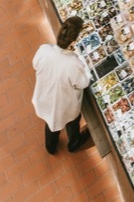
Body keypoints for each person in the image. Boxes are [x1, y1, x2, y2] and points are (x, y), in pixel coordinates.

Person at [32, 15, 91, 154]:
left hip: (45, 98)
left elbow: (35, 64)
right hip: (65, 104)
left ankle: (50, 147)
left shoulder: (44, 50)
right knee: (72, 122)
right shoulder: (73, 64)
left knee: (51, 124)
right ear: (73, 42)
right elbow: (82, 83)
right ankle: (74, 143)